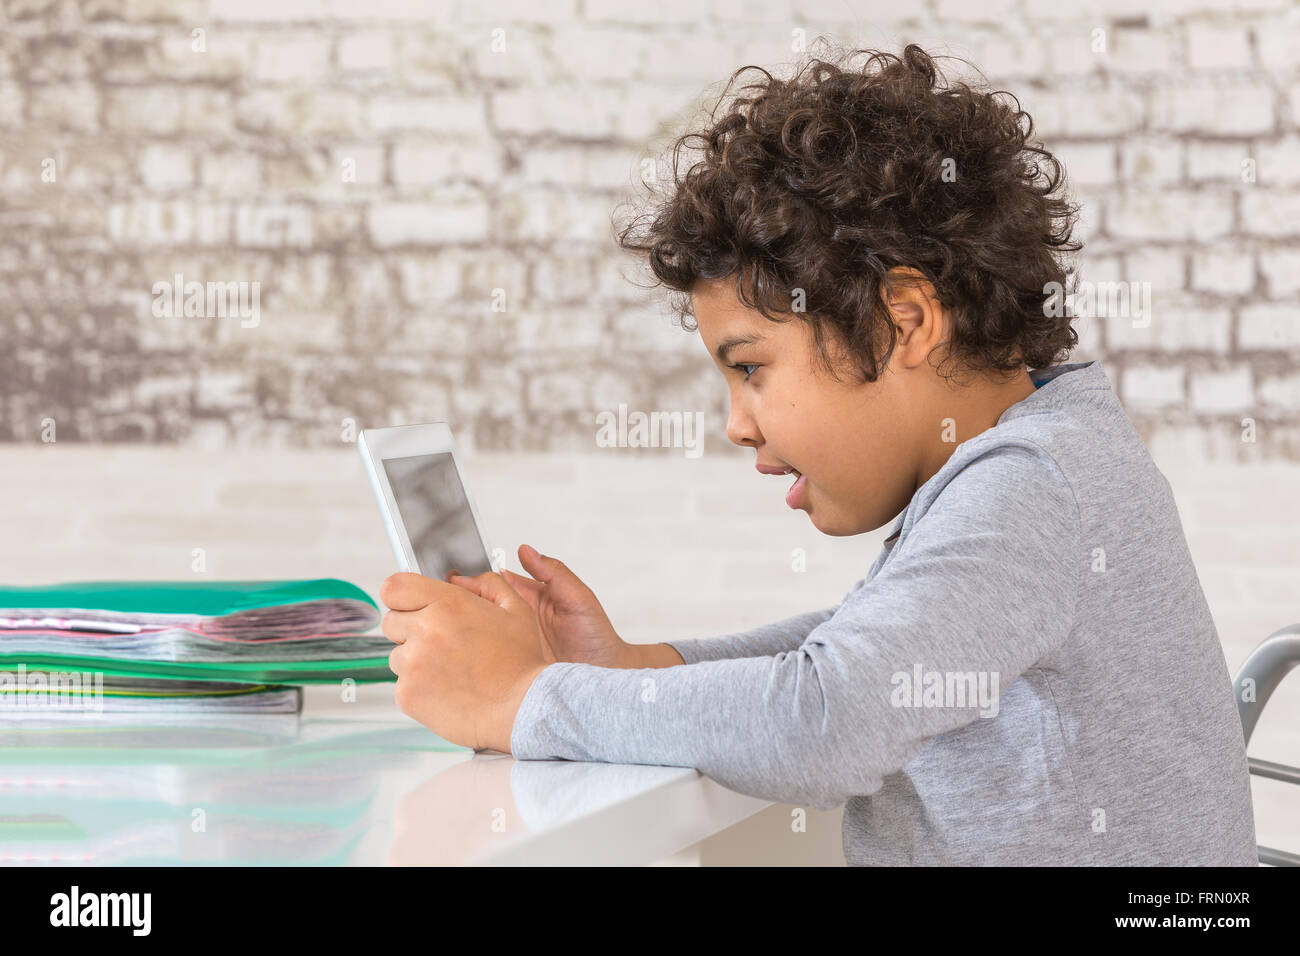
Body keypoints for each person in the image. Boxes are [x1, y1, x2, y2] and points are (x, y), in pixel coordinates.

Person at [381, 43, 1257, 865]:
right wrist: (641, 670)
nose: (737, 424)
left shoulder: (1031, 485)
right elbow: (856, 653)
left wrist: (518, 699)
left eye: (753, 368)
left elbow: (825, 718)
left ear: (904, 321)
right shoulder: (1043, 451)